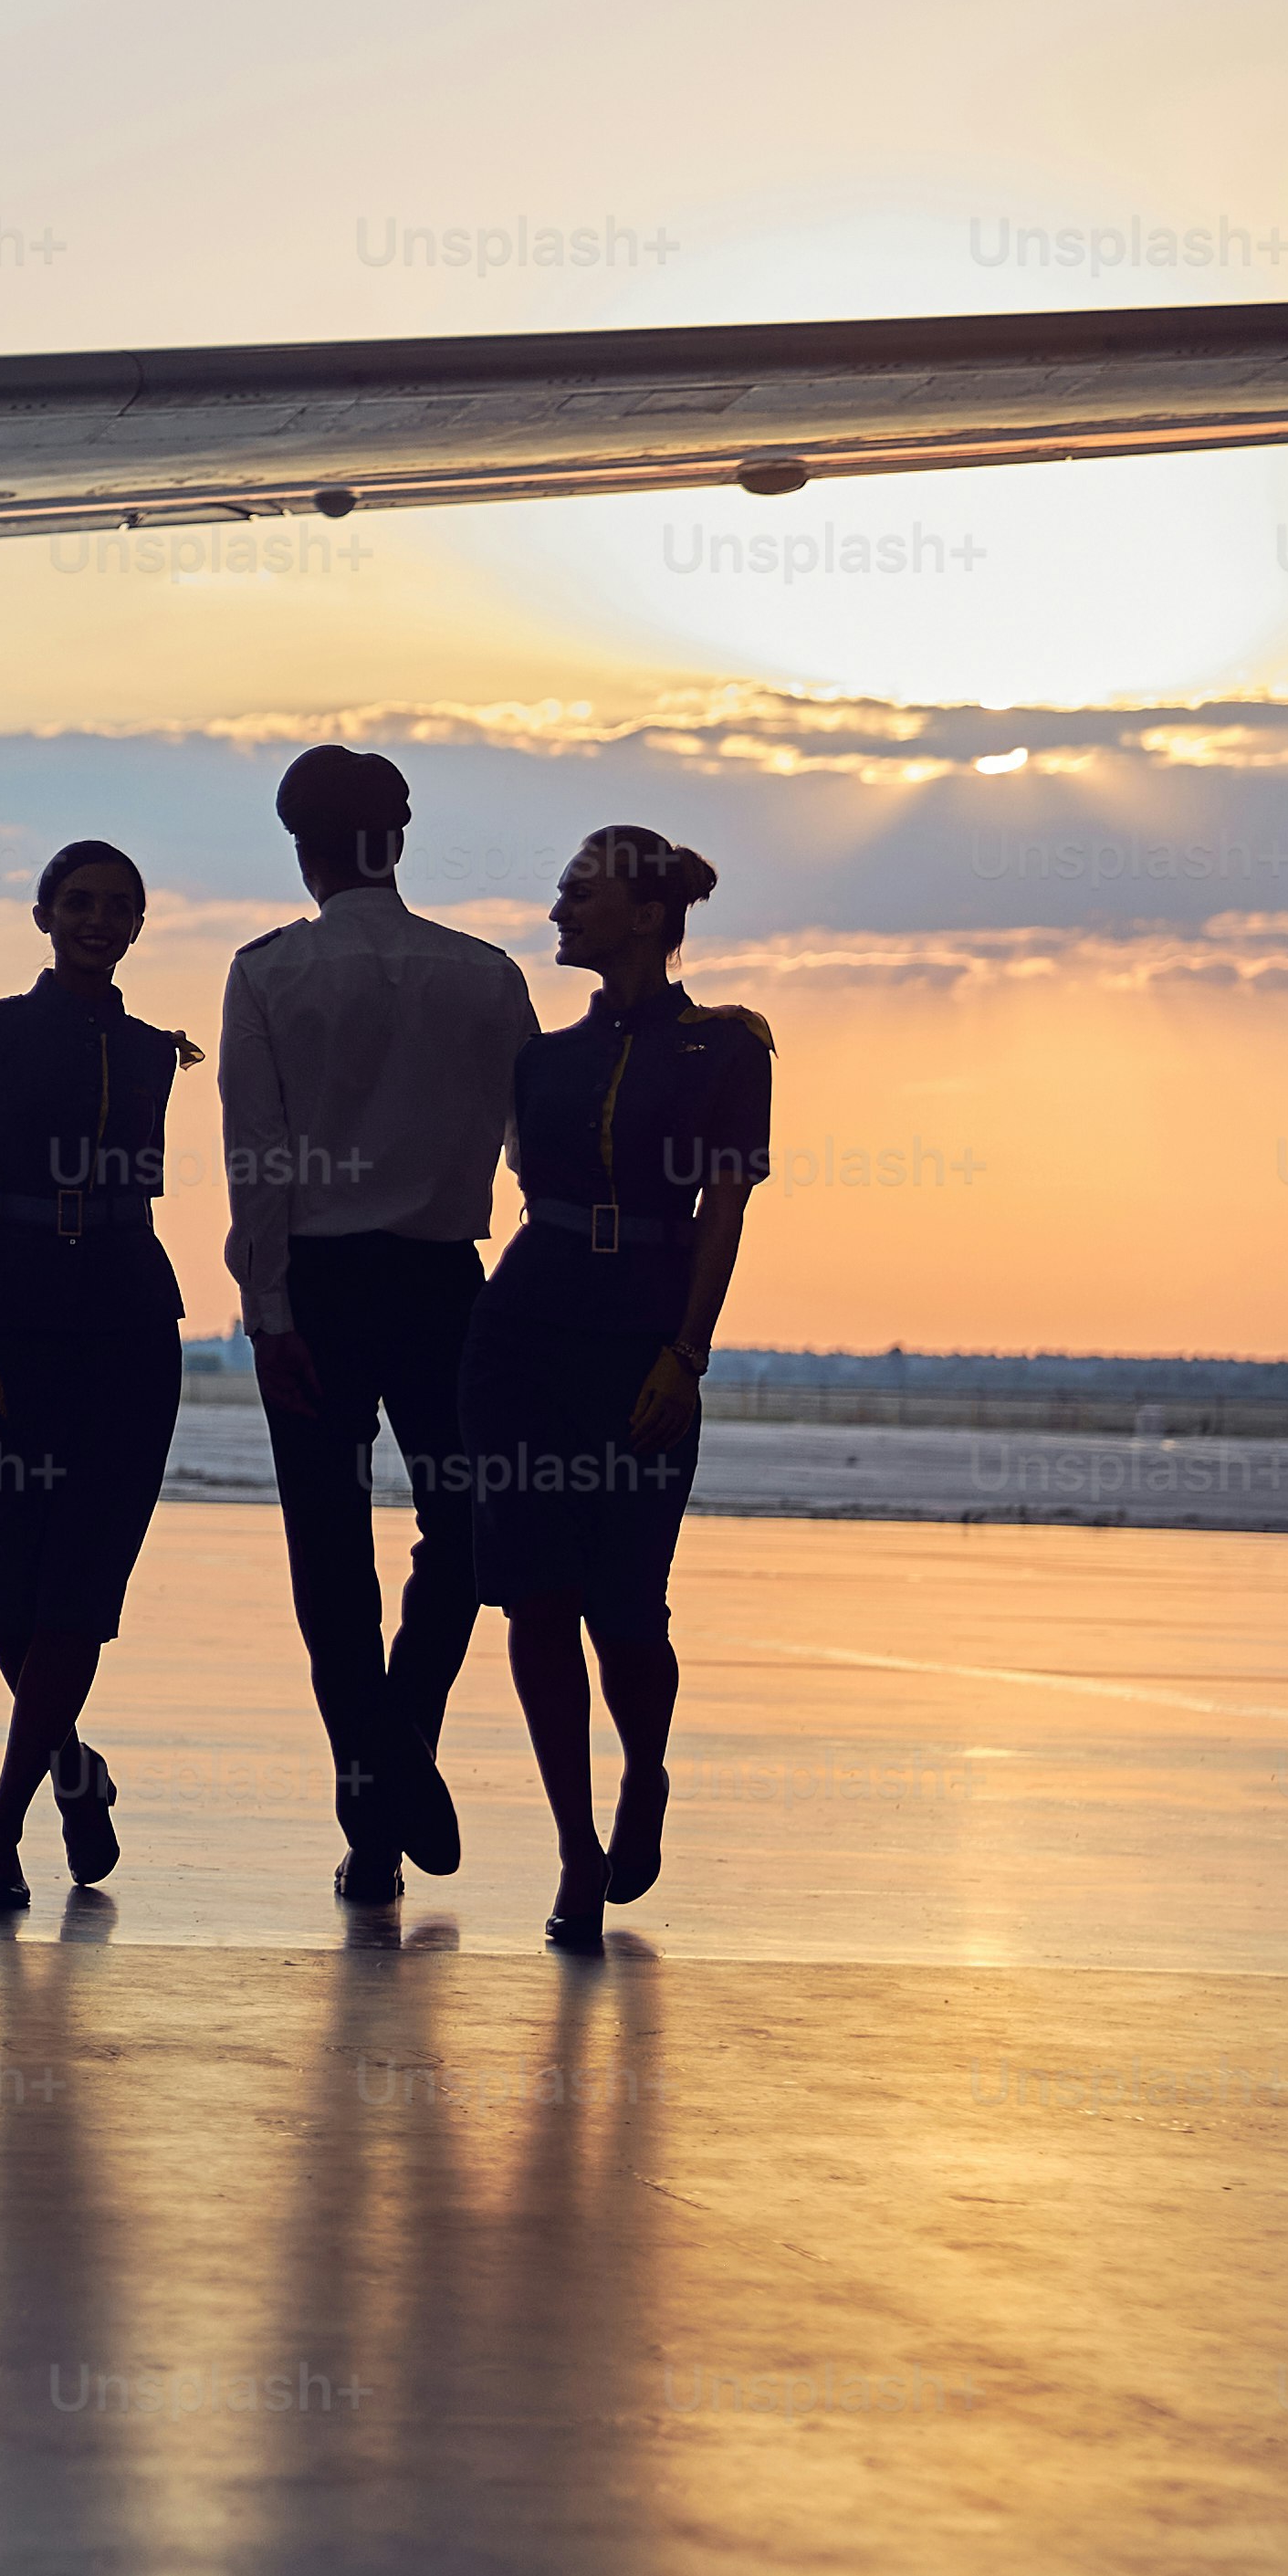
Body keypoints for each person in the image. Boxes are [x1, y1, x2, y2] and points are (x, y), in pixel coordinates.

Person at [217, 742, 536, 1905]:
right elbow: (532, 1152)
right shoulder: (490, 977)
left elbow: (257, 1159)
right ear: (396, 842)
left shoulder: (265, 975)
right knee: (459, 1535)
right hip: (449, 1287)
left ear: (302, 851)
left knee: (329, 1547)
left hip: (315, 1286)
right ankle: (403, 1748)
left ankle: (375, 1775)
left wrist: (268, 1308)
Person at [457, 823, 770, 1953]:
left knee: (627, 1608)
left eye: (577, 894)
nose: (557, 913)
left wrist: (685, 1353)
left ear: (647, 915)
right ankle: (575, 1849)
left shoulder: (728, 1052)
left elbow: (724, 1213)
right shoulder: (541, 1060)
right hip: (522, 1329)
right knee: (533, 1597)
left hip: (644, 1326)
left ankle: (645, 1768)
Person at [0, 841, 196, 1911]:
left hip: (131, 1322)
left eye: (119, 907)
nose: (98, 919)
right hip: (17, 1305)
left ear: (138, 925)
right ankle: (72, 1767)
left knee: (81, 1591)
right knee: (11, 1592)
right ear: (43, 913)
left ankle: (2, 1821)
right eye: (79, 902)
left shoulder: (151, 1053)